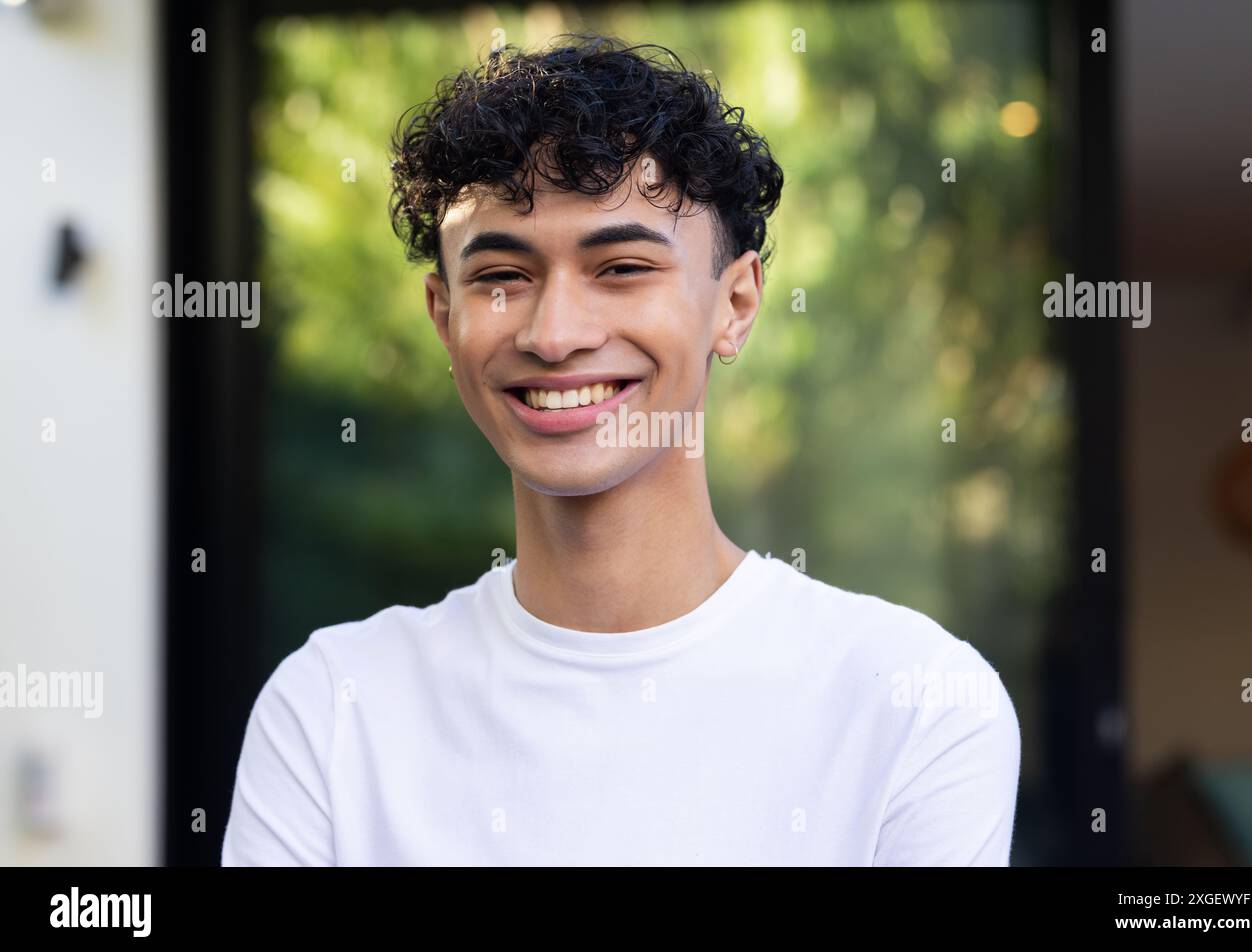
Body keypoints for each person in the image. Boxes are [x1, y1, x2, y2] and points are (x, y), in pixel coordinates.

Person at [221, 33, 1020, 866]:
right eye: (502, 276)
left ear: (736, 303)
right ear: (442, 314)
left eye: (622, 267)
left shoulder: (916, 703)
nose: (556, 335)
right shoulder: (332, 709)